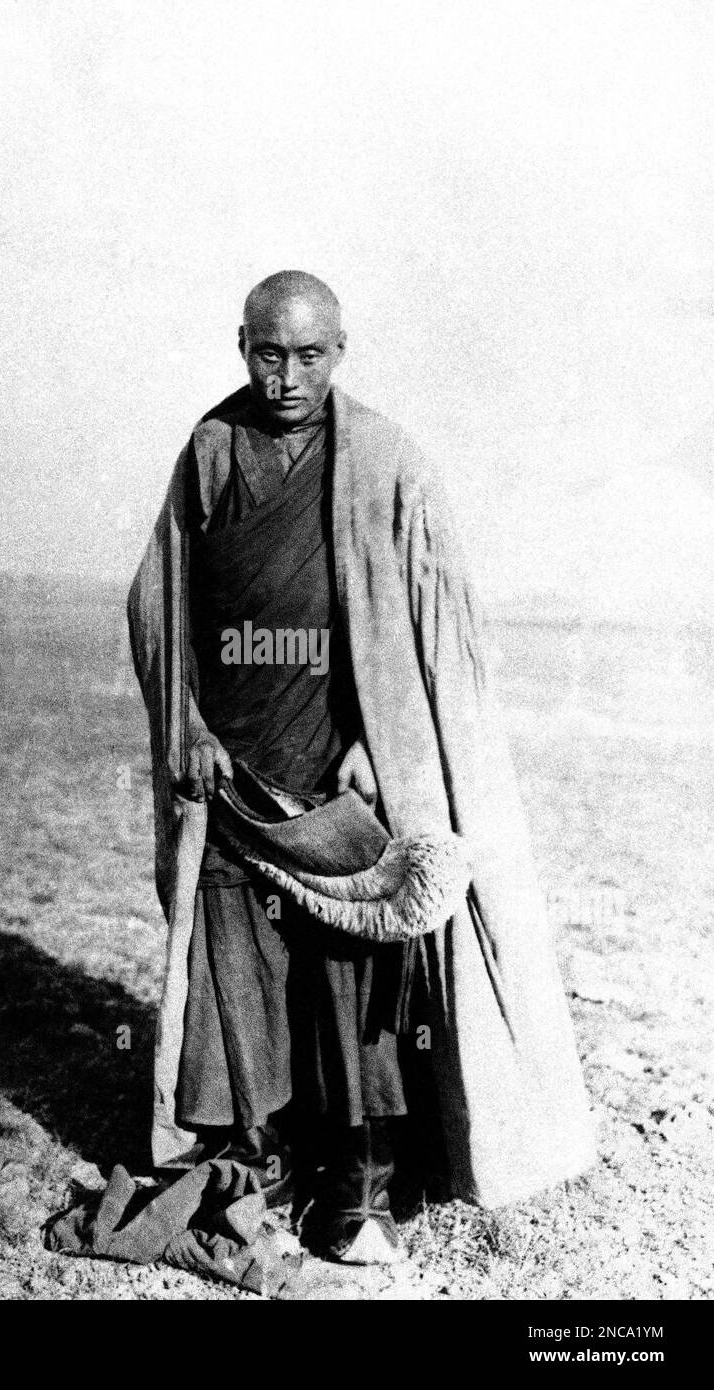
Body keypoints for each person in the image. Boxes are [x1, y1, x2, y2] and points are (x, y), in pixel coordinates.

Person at [128, 270, 595, 1265]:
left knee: (356, 983)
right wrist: (188, 725)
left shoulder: (389, 461)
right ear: (241, 345)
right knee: (237, 978)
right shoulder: (211, 450)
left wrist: (383, 745)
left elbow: (433, 625)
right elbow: (162, 597)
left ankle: (362, 1189)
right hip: (233, 770)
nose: (286, 377)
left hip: (349, 775)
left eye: (308, 355)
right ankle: (258, 1168)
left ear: (339, 351)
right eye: (268, 353)